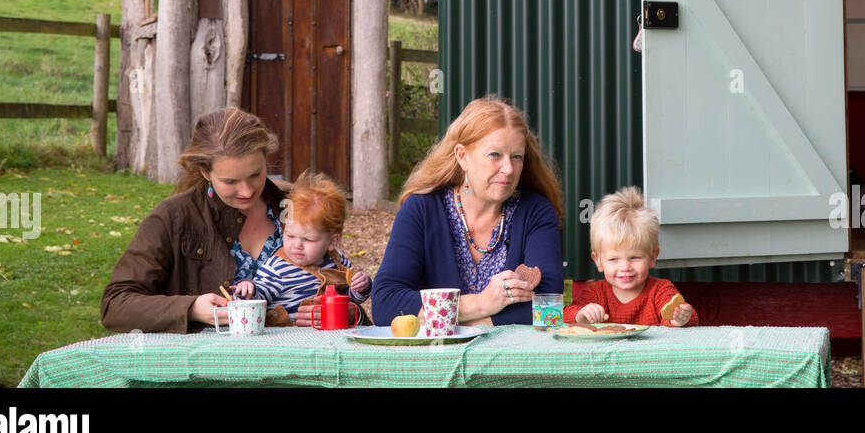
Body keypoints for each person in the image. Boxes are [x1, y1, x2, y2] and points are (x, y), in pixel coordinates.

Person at [372, 95, 564, 326]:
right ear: (463, 157)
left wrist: (454, 321)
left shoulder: (535, 211)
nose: (508, 169)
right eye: (495, 155)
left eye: (516, 157)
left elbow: (548, 307)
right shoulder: (422, 209)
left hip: (512, 359)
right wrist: (482, 303)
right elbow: (386, 304)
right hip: (434, 360)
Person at [100, 107, 288, 333]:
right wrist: (191, 309)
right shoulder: (173, 217)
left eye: (255, 175)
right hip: (208, 364)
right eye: (230, 181)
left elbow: (340, 282)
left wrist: (332, 308)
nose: (246, 191)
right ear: (205, 172)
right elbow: (115, 305)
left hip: (299, 361)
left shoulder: (296, 209)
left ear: (266, 159)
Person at [234, 170, 371, 325]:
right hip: (288, 340)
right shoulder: (277, 267)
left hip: (329, 336)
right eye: (290, 236)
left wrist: (361, 287)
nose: (297, 245)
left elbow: (350, 298)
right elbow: (258, 301)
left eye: (308, 239)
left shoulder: (337, 261)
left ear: (332, 242)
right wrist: (248, 289)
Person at [564, 187, 697, 327]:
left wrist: (680, 318)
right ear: (598, 261)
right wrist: (581, 315)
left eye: (634, 258)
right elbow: (567, 314)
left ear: (653, 256)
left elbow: (685, 316)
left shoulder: (660, 290)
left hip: (650, 349)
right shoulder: (596, 293)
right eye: (613, 259)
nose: (625, 267)